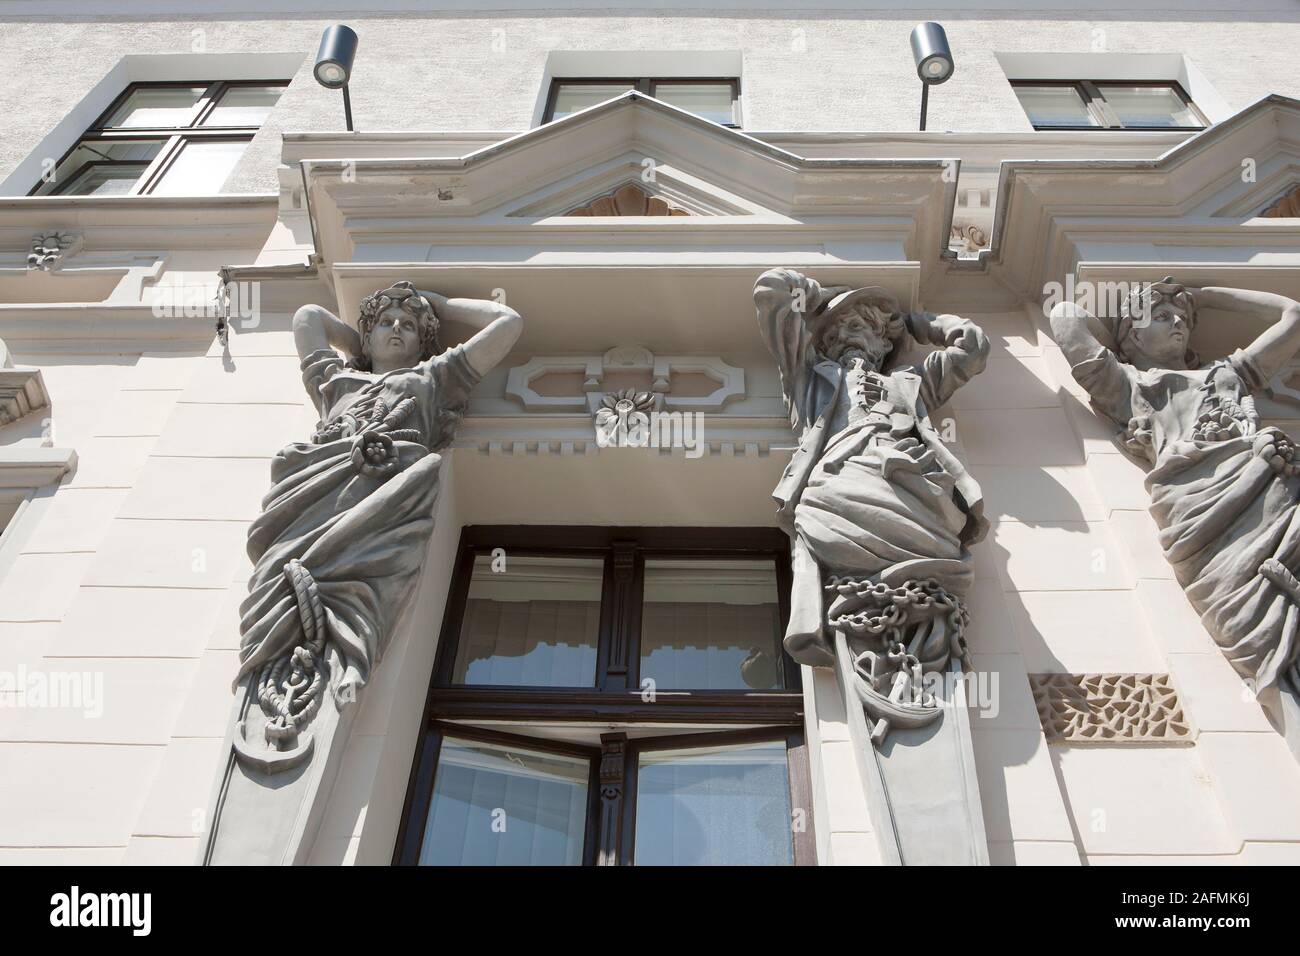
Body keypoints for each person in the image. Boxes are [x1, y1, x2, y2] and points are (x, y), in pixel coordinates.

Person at [235, 281, 521, 760]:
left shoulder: (433, 378)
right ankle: (276, 676)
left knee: (358, 592)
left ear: (423, 340)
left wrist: (441, 306)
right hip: (310, 502)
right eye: (387, 323)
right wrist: (364, 337)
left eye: (408, 326)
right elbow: (308, 316)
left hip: (381, 508)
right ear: (366, 339)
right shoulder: (335, 384)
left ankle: (336, 659)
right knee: (280, 582)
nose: (397, 329)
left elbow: (507, 324)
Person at [1051, 278, 1300, 753]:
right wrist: (1128, 308)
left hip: (1269, 485)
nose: (1179, 323)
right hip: (1201, 508)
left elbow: (1293, 315)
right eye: (1162, 318)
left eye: (1183, 318)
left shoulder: (1228, 375)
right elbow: (1065, 317)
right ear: (1132, 337)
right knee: (1254, 622)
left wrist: (1204, 295)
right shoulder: (1130, 388)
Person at [755, 268, 989, 739]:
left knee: (934, 537)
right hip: (839, 486)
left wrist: (917, 322)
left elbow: (973, 347)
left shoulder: (910, 383)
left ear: (885, 342)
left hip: (910, 489)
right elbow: (771, 291)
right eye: (837, 329)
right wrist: (814, 296)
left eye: (861, 325)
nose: (847, 334)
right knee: (824, 516)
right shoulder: (810, 379)